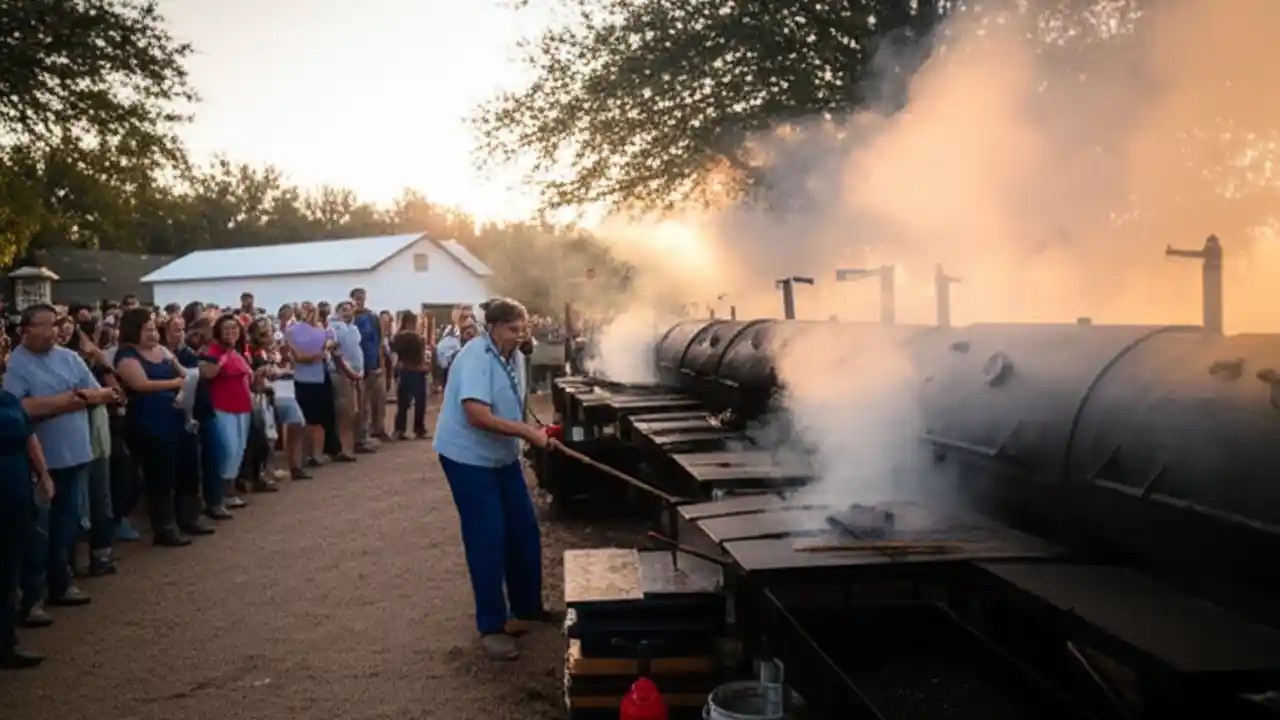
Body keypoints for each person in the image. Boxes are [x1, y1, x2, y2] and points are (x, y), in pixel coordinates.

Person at [433, 297, 550, 661]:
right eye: (514, 329)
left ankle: (527, 608)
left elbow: (512, 396)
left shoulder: (513, 353)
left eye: (524, 328)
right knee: (488, 535)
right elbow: (476, 414)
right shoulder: (475, 357)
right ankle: (491, 626)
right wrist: (526, 433)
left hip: (502, 456)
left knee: (523, 529)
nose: (521, 335)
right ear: (494, 327)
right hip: (467, 457)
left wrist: (527, 432)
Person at [4, 304, 116, 622]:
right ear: (25, 330)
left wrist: (72, 400)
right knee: (37, 532)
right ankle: (31, 599)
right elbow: (18, 408)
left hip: (77, 455)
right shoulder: (16, 364)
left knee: (67, 524)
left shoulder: (69, 357)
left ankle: (62, 584)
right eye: (46, 325)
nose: (54, 331)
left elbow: (102, 393)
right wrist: (66, 401)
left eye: (56, 324)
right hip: (40, 461)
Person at [114, 308, 200, 545]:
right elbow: (140, 384)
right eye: (147, 330)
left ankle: (188, 517)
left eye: (154, 329)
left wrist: (179, 377)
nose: (153, 335)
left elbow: (185, 374)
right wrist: (174, 382)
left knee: (186, 466)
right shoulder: (127, 355)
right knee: (160, 472)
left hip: (174, 414)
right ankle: (164, 526)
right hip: (148, 419)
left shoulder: (161, 351)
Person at [0, 389, 53, 669]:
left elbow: (28, 436)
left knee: (8, 572)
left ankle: (7, 643)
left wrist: (43, 474)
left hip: (14, 493)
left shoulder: (6, 398)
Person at [200, 315, 255, 506]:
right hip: (222, 405)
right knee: (227, 448)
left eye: (234, 329)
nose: (231, 333)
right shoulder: (214, 351)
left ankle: (229, 491)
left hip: (242, 405)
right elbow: (208, 373)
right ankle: (220, 494)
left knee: (239, 448)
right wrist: (222, 358)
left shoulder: (239, 351)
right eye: (227, 329)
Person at [286, 302, 337, 467]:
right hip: (302, 379)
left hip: (319, 377)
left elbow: (331, 342)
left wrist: (323, 350)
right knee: (305, 419)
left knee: (319, 419)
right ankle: (306, 455)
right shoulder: (293, 330)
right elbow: (298, 357)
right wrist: (319, 354)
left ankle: (316, 453)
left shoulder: (322, 329)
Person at [351, 288, 386, 446]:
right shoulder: (349, 318)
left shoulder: (372, 317)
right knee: (360, 403)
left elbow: (378, 341)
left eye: (361, 298)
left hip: (372, 363)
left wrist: (380, 363)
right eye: (356, 298)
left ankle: (373, 430)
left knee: (375, 400)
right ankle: (359, 436)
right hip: (356, 366)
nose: (359, 301)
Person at [329, 301, 364, 457]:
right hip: (341, 372)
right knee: (344, 412)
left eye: (350, 310)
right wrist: (347, 370)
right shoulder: (334, 327)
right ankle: (343, 448)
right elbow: (335, 350)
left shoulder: (353, 328)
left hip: (355, 373)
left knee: (353, 411)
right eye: (343, 310)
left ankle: (351, 444)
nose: (347, 312)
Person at [392, 311, 431, 440]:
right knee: (419, 402)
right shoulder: (414, 337)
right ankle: (418, 428)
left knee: (404, 403)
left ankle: (400, 429)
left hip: (406, 370)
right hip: (415, 370)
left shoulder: (398, 337)